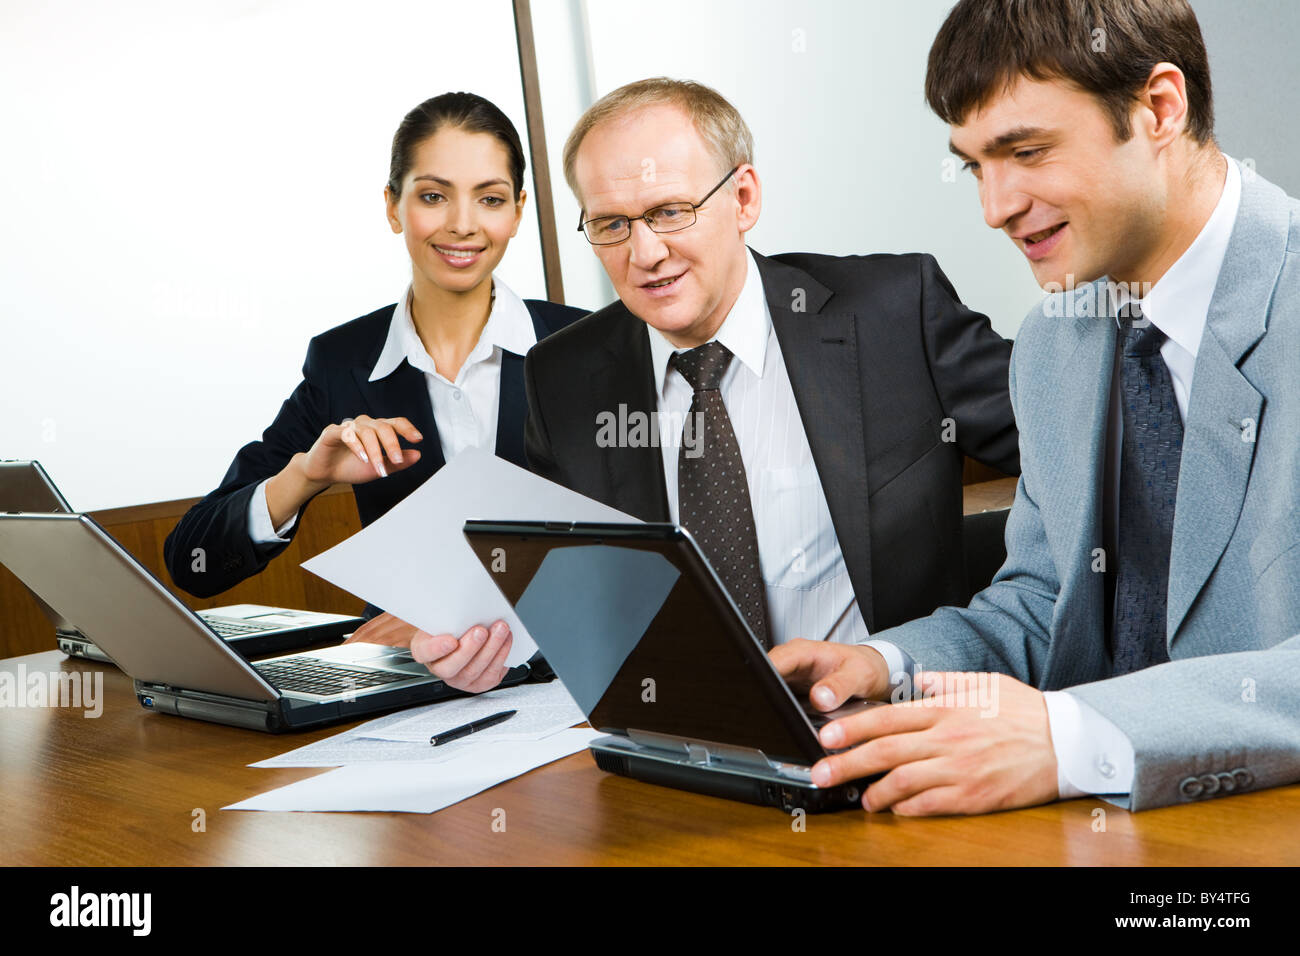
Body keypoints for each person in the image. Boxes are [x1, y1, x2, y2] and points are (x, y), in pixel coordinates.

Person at [773, 0, 1300, 815]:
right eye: (977, 164)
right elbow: (1041, 603)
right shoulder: (1055, 342)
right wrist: (886, 667)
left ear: (1159, 108)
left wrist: (1074, 734)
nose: (994, 206)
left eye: (1026, 151)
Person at [522, 77, 1019, 655]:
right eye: (611, 224)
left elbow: (1080, 452)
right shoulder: (562, 376)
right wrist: (489, 640)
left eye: (670, 212)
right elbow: (555, 590)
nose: (646, 254)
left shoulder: (895, 314)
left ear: (743, 198)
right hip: (681, 733)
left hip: (889, 718)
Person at [164, 92, 586, 692]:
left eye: (489, 199)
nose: (462, 224)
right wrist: (305, 477)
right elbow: (193, 562)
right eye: (433, 196)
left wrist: (455, 614)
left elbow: (646, 550)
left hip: (570, 687)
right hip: (412, 696)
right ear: (393, 206)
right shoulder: (343, 363)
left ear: (517, 212)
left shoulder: (584, 346)